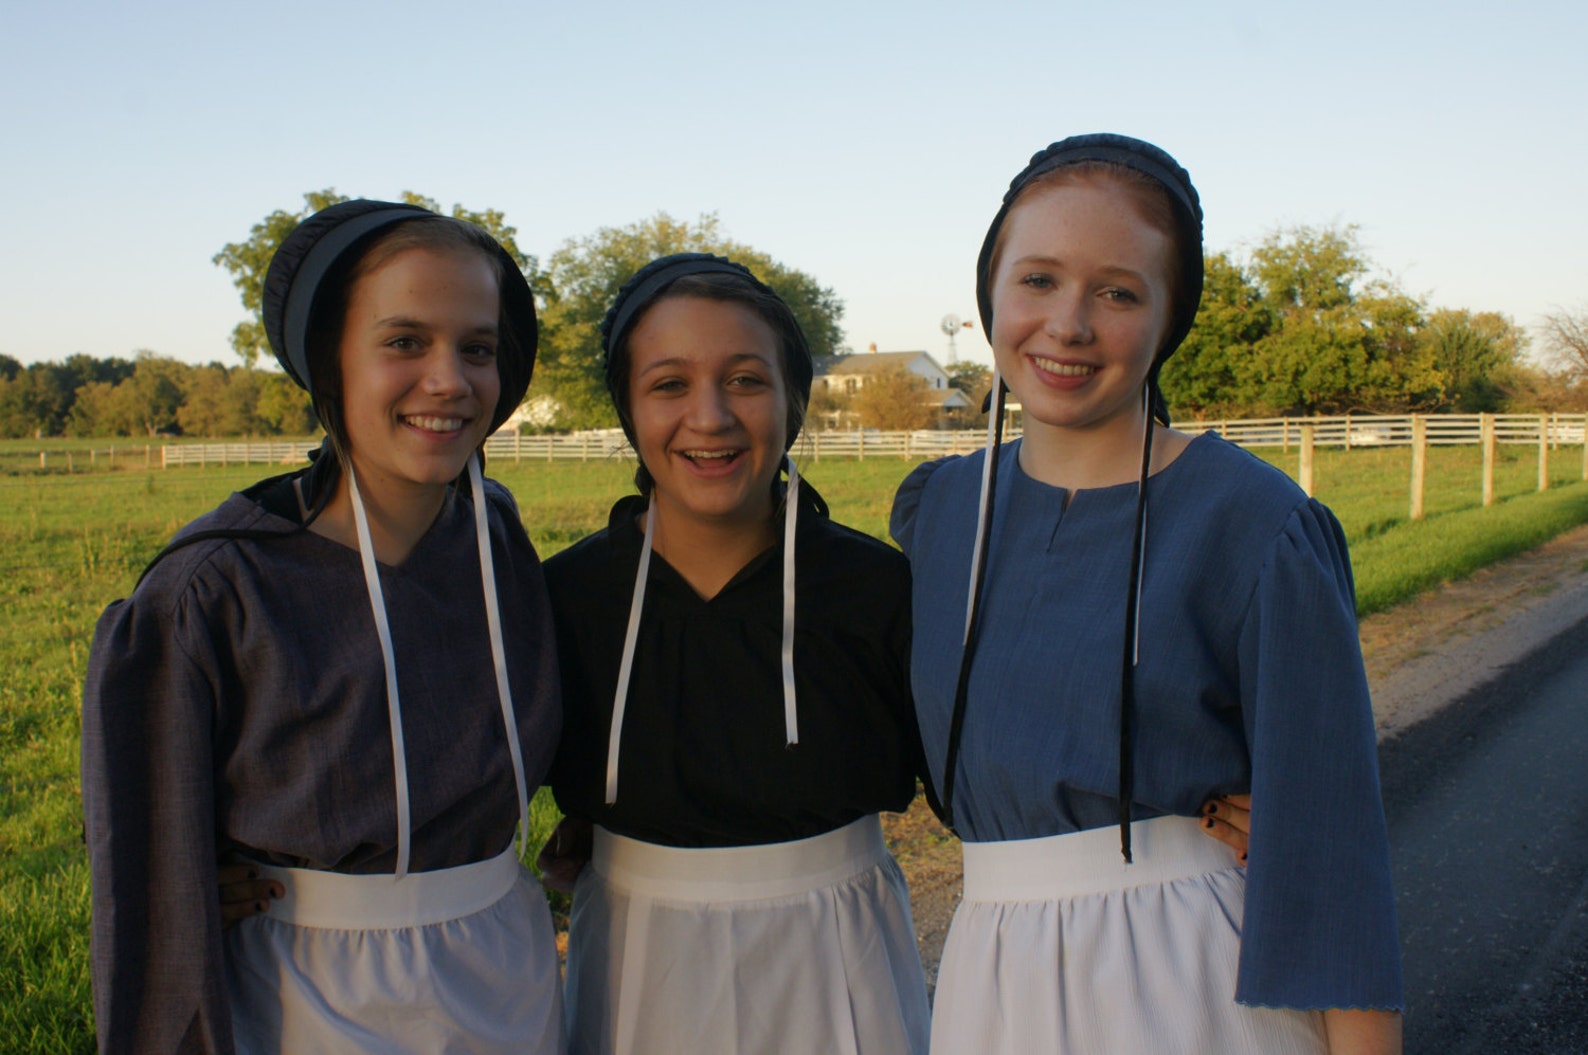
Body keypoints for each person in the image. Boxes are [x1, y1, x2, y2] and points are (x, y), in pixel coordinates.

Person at [890, 135, 1405, 1053]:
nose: (1069, 324)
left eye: (1119, 292)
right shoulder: (941, 514)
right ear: (990, 290)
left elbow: (1332, 858)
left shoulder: (1256, 523)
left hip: (1192, 978)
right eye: (1038, 279)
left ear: (1170, 317)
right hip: (990, 980)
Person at [81, 200, 566, 1054]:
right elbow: (152, 889)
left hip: (505, 973)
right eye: (404, 341)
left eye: (477, 347)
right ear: (328, 362)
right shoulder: (216, 587)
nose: (449, 379)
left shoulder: (496, 536)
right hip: (305, 996)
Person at [541, 253, 931, 1055]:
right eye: (669, 384)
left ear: (793, 399)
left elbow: (998, 767)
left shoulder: (877, 588)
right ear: (627, 406)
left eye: (747, 380)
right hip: (635, 958)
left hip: (837, 951)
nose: (710, 417)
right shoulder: (564, 597)